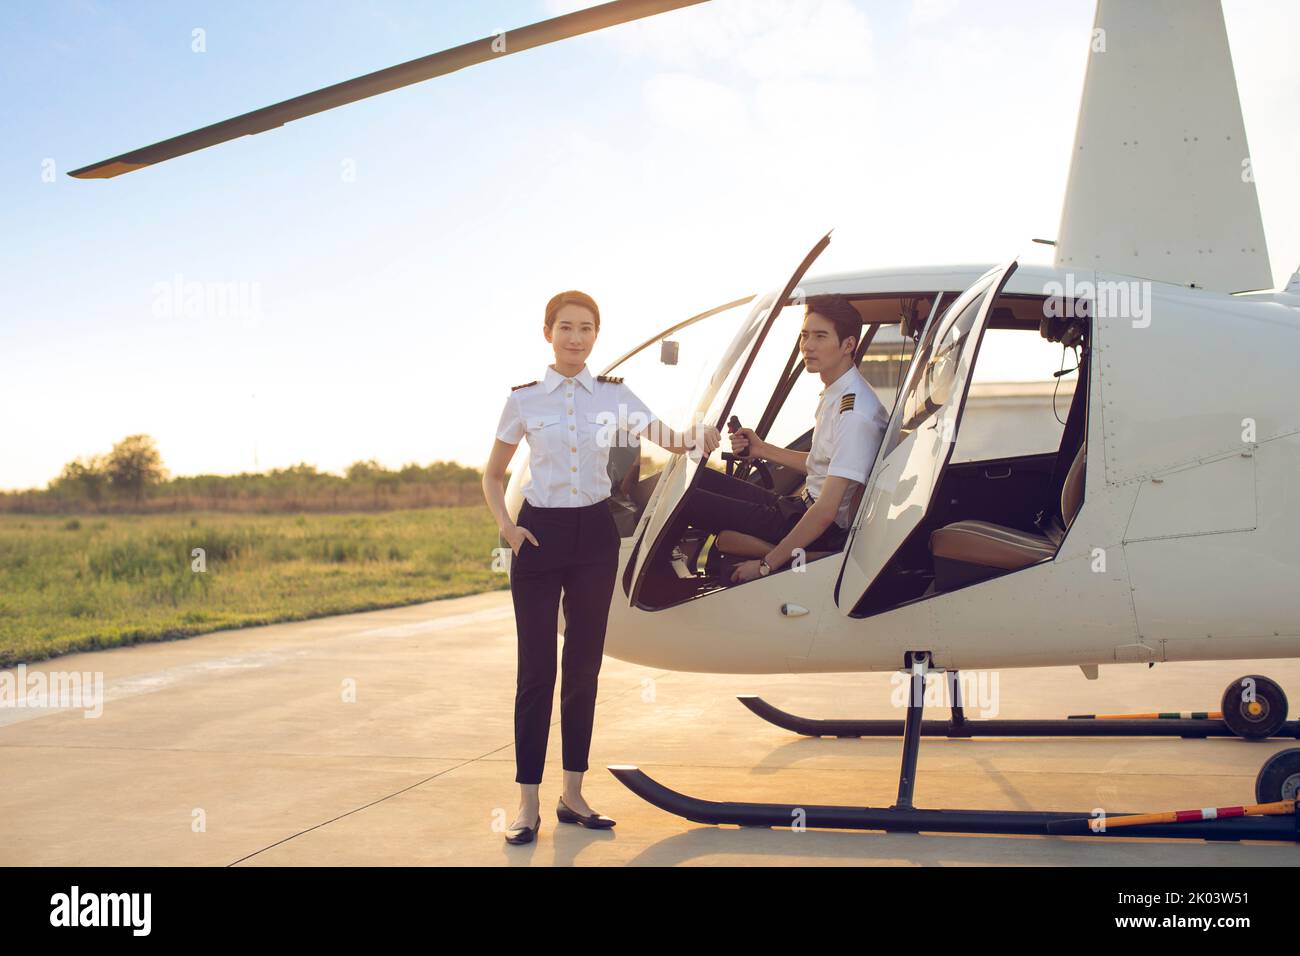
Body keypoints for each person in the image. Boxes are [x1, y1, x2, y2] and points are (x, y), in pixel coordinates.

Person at [481, 289, 721, 845]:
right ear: (548, 333)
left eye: (586, 328)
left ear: (595, 335)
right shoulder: (523, 401)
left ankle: (573, 793)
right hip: (538, 537)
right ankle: (525, 803)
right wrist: (508, 529)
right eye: (565, 327)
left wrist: (700, 437)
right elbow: (493, 475)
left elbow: (675, 442)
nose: (575, 337)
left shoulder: (615, 396)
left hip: (594, 536)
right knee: (536, 673)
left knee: (584, 667)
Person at [674, 293, 890, 584]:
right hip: (797, 506)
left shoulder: (855, 413)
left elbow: (826, 511)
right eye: (804, 335)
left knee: (686, 501)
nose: (808, 346)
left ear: (848, 345)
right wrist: (761, 448)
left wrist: (766, 565)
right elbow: (822, 464)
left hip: (817, 526)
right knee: (695, 480)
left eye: (820, 336)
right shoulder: (838, 392)